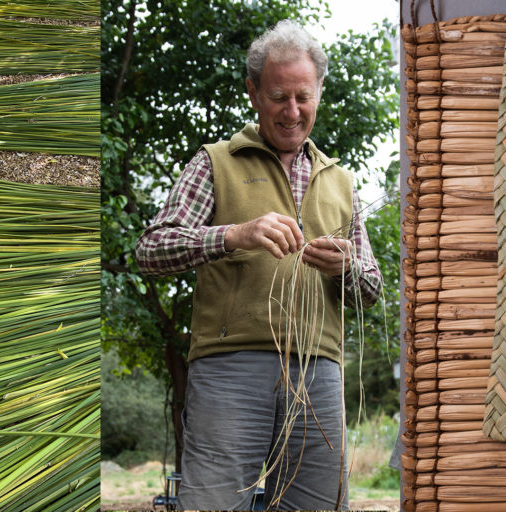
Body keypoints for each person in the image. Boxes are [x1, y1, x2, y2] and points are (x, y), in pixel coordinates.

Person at [135, 19, 382, 511]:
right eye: (277, 97)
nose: (292, 111)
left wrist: (346, 269)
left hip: (318, 373)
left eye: (303, 96)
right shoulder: (213, 162)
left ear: (318, 93)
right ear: (253, 92)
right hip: (230, 367)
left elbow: (371, 288)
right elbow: (151, 250)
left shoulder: (341, 182)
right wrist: (233, 234)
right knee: (213, 503)